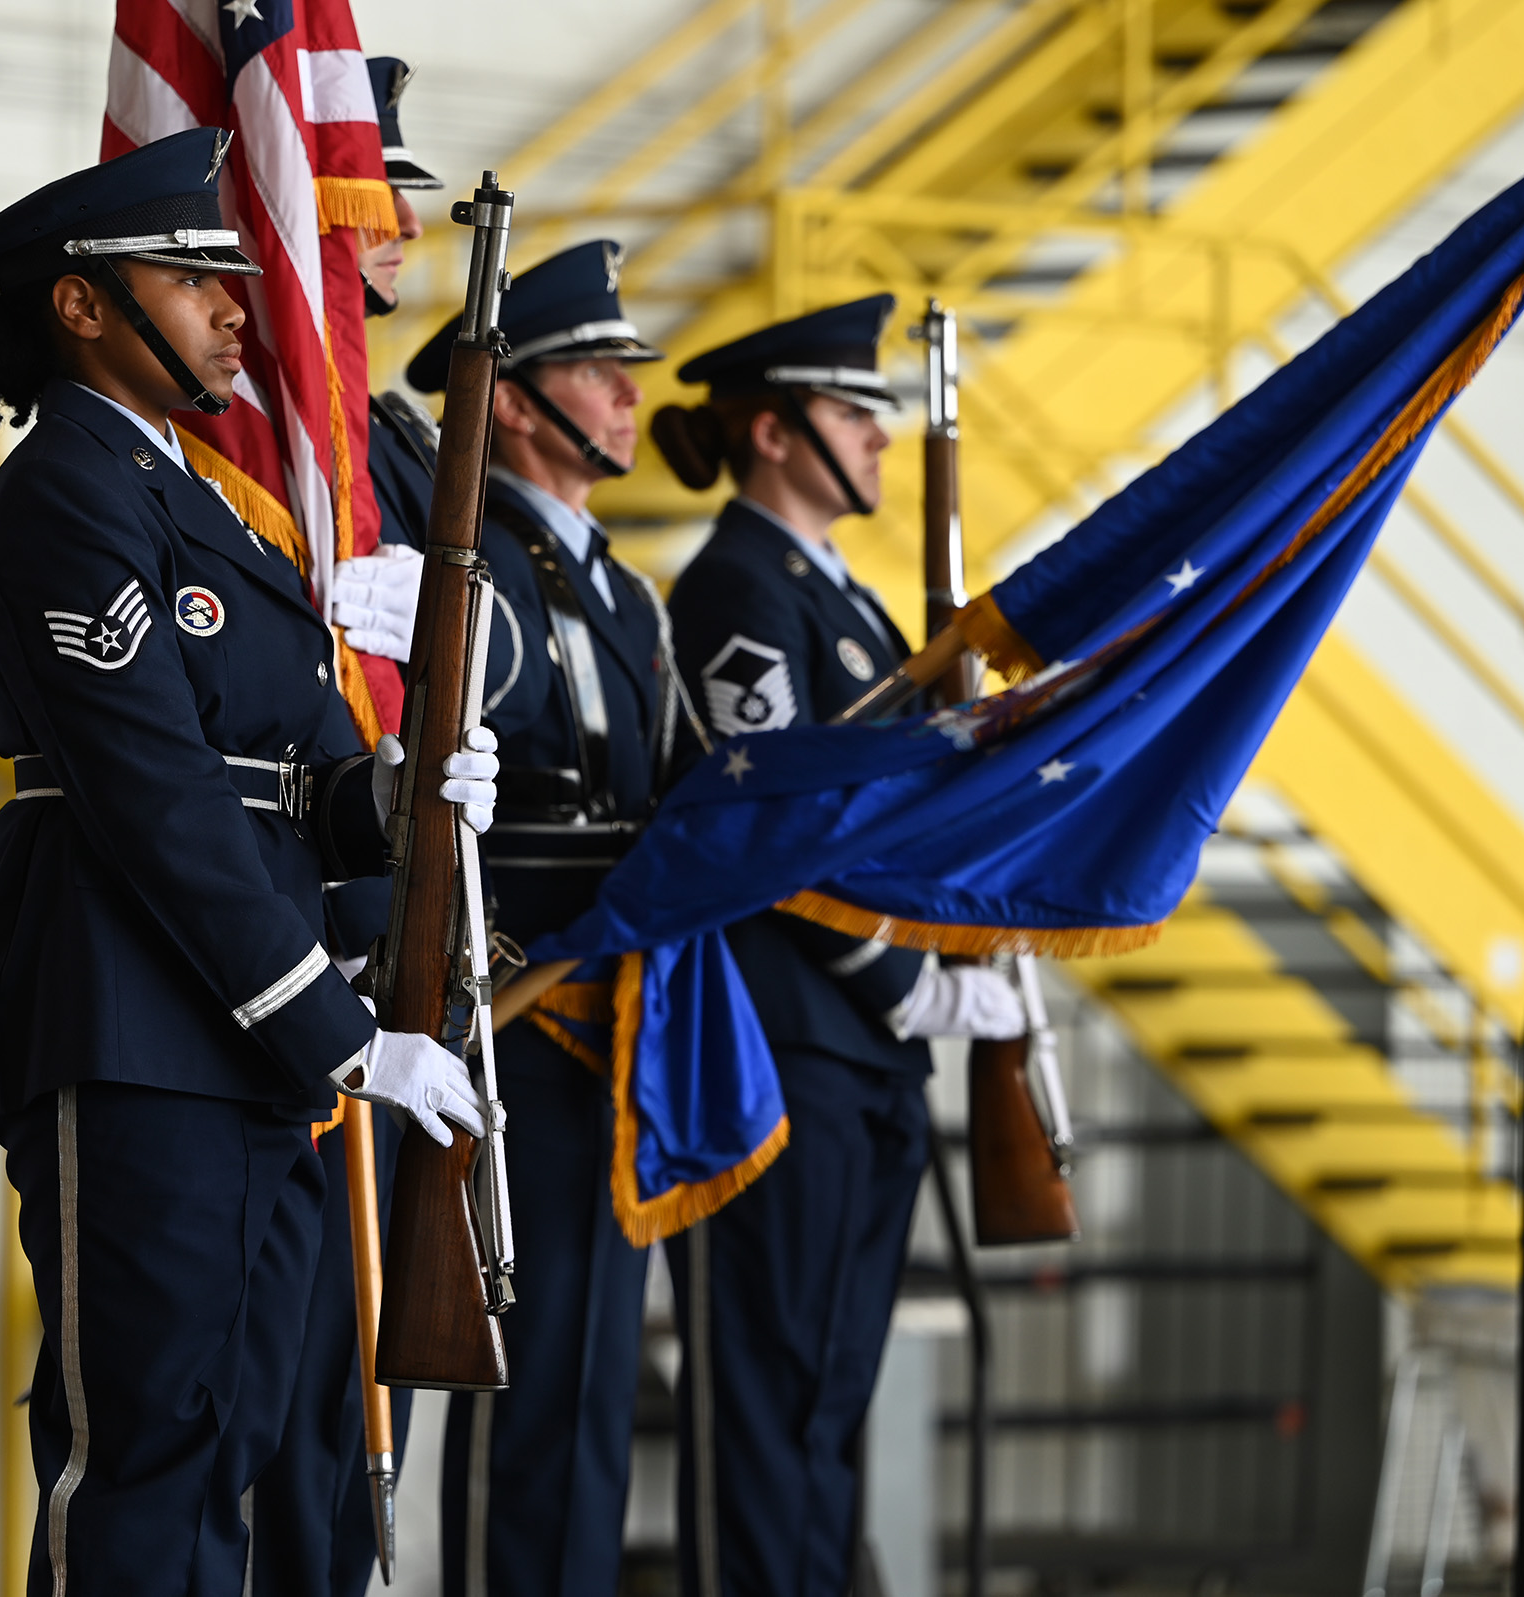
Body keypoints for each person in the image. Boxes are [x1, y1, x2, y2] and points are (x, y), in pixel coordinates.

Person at [0, 125, 500, 1595]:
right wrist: (335, 1027)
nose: (241, 303)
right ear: (82, 304)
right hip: (137, 1023)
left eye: (236, 273)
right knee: (140, 1462)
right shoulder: (67, 491)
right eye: (195, 276)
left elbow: (269, 774)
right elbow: (153, 798)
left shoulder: (185, 494)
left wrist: (395, 799)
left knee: (225, 1446)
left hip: (237, 1046)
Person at [655, 297, 1026, 1594]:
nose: (879, 436)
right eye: (852, 411)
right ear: (773, 431)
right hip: (793, 1050)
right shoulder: (737, 597)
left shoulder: (848, 603)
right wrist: (908, 980)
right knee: (767, 1400)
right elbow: (777, 831)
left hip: (863, 1061)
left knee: (829, 1401)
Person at [403, 240, 704, 1597]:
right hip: (512, 1022)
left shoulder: (628, 592)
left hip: (617, 1023)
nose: (628, 397)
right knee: (515, 1378)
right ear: (514, 401)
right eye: (596, 371)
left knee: (589, 1381)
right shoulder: (480, 575)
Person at [250, 53, 449, 1597]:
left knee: (335, 1397)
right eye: (372, 209)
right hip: (264, 956)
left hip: (380, 939)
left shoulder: (383, 441)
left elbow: (471, 628)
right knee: (247, 1397)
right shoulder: (256, 436)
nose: (389, 243)